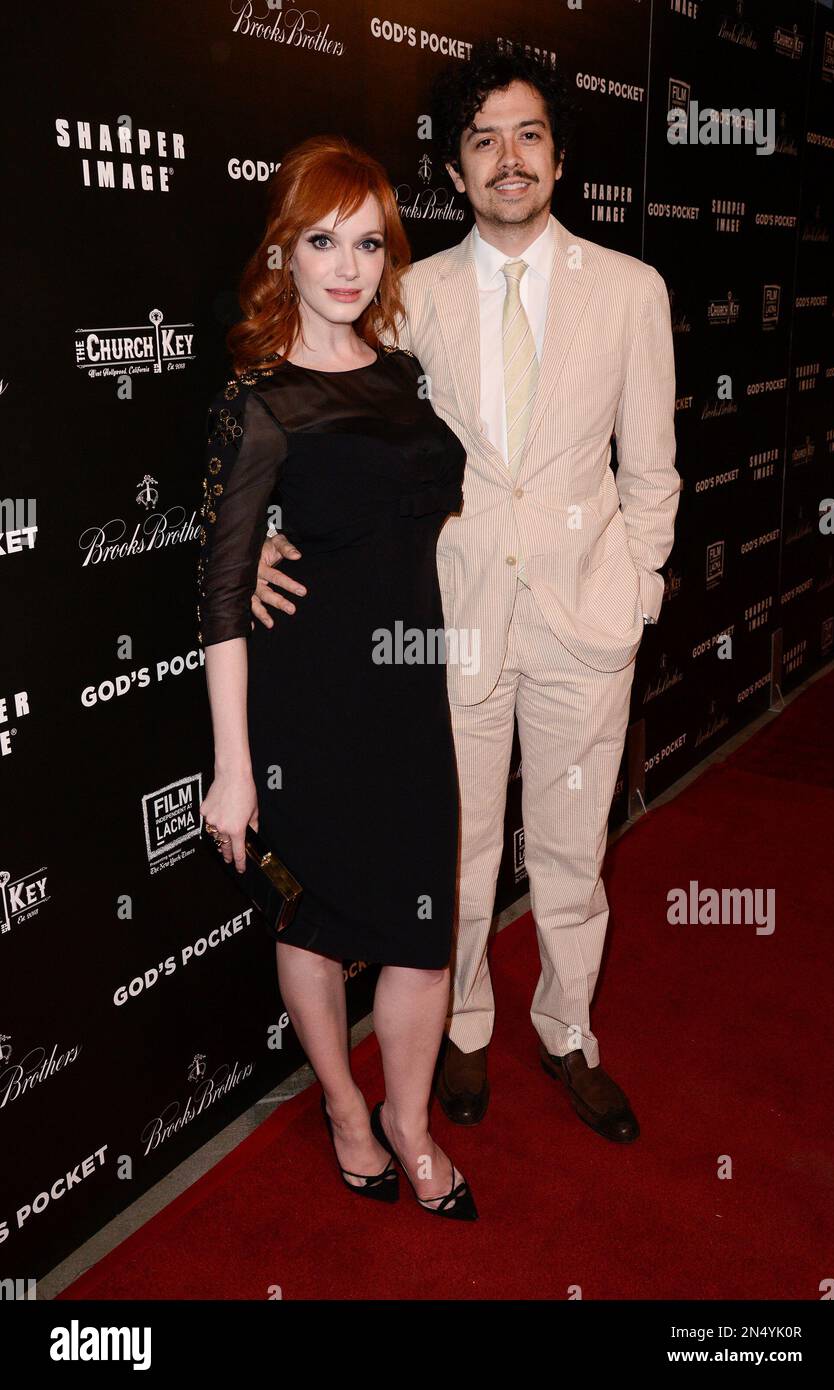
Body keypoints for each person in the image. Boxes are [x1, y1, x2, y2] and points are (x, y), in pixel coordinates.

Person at [253, 43, 680, 1144]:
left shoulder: (633, 292)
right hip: (450, 629)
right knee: (461, 854)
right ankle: (471, 1028)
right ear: (454, 166)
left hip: (585, 627)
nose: (508, 158)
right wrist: (257, 529)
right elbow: (319, 405)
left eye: (527, 134)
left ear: (561, 155)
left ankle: (571, 1030)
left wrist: (635, 593)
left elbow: (653, 468)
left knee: (573, 857)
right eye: (483, 138)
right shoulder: (409, 295)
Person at [196, 134, 476, 1219]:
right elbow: (221, 594)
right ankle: (347, 1110)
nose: (348, 265)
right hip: (309, 705)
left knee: (422, 926)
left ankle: (407, 1120)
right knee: (312, 918)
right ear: (285, 254)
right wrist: (232, 767)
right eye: (323, 241)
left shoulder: (402, 374)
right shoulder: (260, 399)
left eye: (367, 241)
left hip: (410, 694)